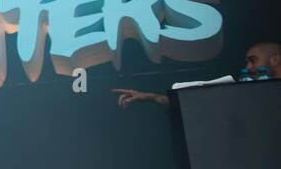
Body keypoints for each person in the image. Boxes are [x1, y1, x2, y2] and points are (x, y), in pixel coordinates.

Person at [114, 41, 281, 108]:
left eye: (253, 60)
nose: (248, 67)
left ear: (275, 60)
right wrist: (149, 97)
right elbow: (195, 102)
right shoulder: (248, 97)